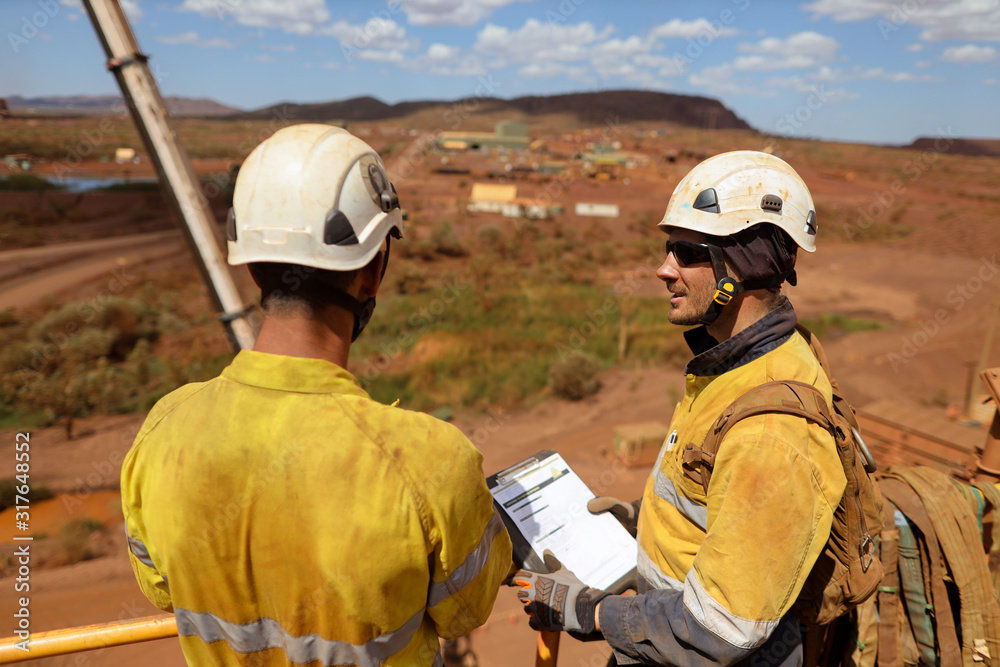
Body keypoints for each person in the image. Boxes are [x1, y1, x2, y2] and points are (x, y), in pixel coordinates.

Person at [121, 124, 512, 666]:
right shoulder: (429, 460)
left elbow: (160, 589)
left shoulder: (164, 429)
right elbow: (464, 612)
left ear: (253, 264)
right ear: (373, 272)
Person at [511, 151, 847, 666]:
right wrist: (650, 521)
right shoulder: (733, 367)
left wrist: (588, 611)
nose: (663, 269)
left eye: (686, 252)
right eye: (669, 249)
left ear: (746, 264)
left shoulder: (772, 432)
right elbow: (720, 500)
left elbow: (719, 630)